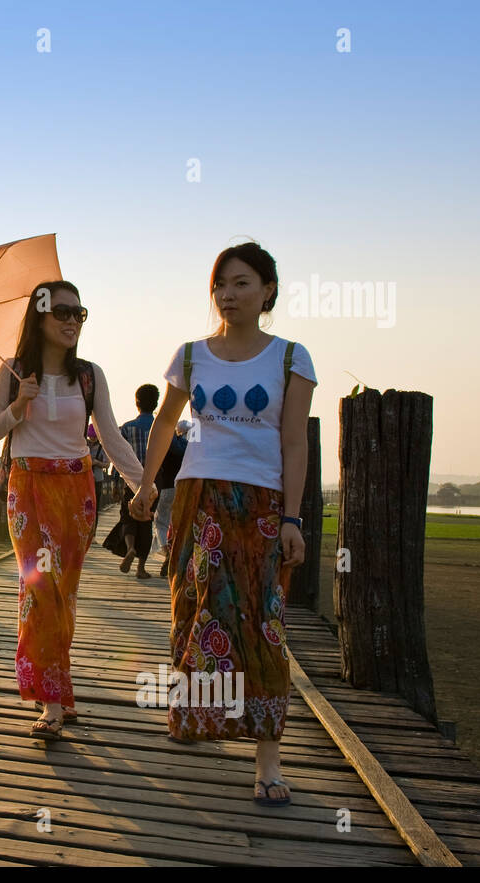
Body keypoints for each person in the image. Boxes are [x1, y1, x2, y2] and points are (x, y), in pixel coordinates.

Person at [129, 241, 316, 807]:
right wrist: (145, 482)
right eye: (219, 285)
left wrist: (292, 517)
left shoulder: (290, 358)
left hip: (262, 502)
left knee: (263, 621)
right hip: (198, 494)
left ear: (267, 291)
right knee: (198, 610)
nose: (227, 295)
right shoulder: (190, 355)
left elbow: (293, 442)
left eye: (241, 284)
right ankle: (199, 716)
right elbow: (165, 425)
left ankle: (267, 759)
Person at [0, 280, 156, 740]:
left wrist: (143, 484)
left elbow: (111, 436)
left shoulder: (90, 375)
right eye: (61, 312)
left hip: (77, 492)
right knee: (39, 590)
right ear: (39, 316)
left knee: (65, 593)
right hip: (28, 488)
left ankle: (55, 689)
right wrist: (20, 404)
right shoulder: (13, 372)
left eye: (78, 313)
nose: (70, 321)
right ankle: (53, 701)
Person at [110, 385, 160, 579]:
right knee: (147, 522)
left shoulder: (127, 428)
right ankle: (141, 568)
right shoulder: (161, 427)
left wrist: (115, 481)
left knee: (128, 517)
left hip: (130, 481)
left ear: (136, 403)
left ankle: (130, 547)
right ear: (156, 403)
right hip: (155, 482)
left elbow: (118, 457)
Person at [152, 420, 190, 576]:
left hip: (165, 486)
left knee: (160, 523)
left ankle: (167, 551)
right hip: (181, 487)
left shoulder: (164, 444)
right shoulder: (186, 446)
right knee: (176, 523)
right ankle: (175, 554)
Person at [87, 424, 111, 512]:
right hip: (85, 479)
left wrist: (97, 462)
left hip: (97, 479)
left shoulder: (102, 447)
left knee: (95, 505)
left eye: (94, 437)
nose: (92, 438)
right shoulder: (85, 445)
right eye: (91, 437)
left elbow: (107, 464)